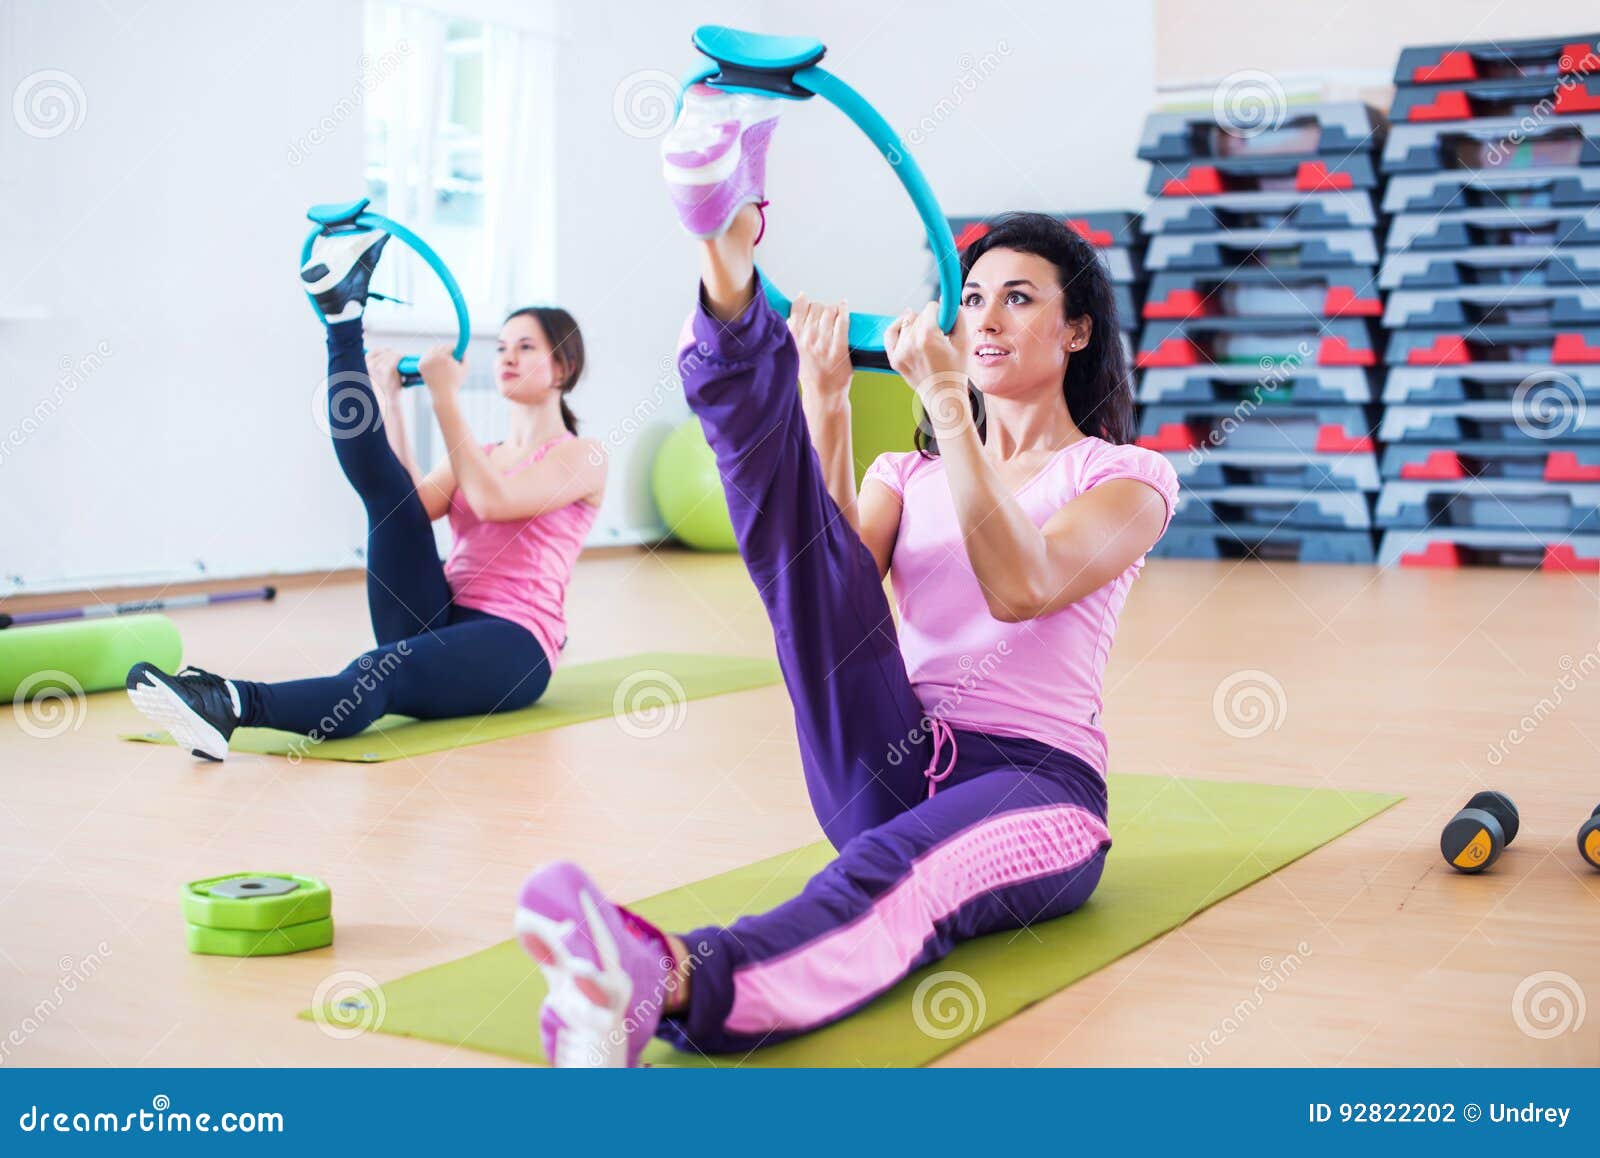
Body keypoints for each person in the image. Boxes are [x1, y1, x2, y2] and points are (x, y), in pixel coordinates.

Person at [518, 84, 1178, 1066]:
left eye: (1019, 296)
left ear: (1077, 331)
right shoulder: (904, 472)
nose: (984, 316)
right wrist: (823, 401)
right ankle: (725, 255)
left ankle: (670, 975)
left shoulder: (1124, 476)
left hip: (1036, 788)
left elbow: (1023, 586)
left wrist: (950, 406)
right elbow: (818, 587)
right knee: (812, 593)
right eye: (975, 294)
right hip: (887, 750)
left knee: (897, 874)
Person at [126, 230, 603, 760]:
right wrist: (394, 405)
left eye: (527, 347)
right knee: (390, 505)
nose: (507, 357)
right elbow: (412, 505)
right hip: (438, 612)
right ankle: (343, 321)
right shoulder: (483, 452)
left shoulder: (583, 457)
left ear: (564, 366)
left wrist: (444, 397)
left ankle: (232, 703)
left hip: (516, 641)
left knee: (380, 671)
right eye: (502, 347)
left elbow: (493, 502)